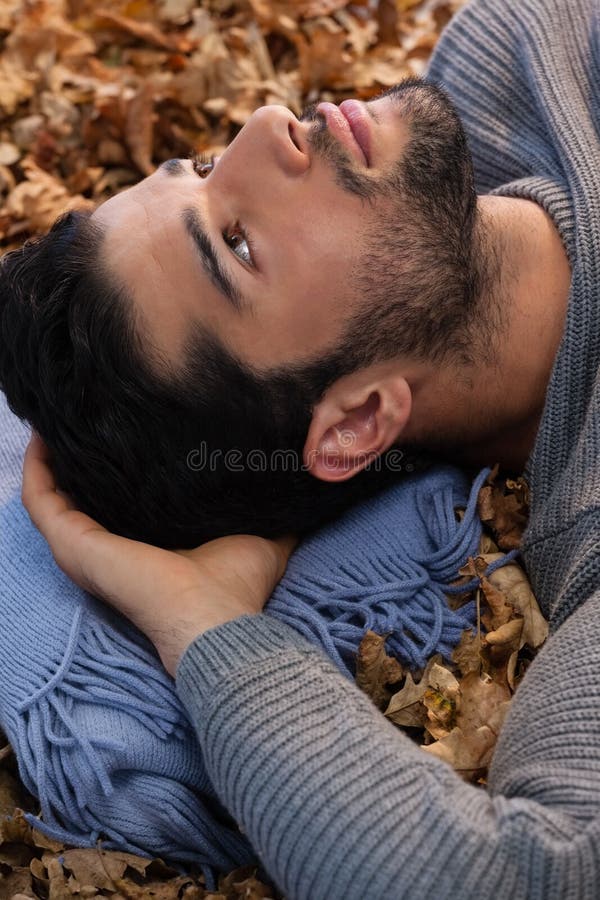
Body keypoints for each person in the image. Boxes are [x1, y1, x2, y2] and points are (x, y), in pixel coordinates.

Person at [16, 0, 600, 895]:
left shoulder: (520, 58)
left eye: (202, 167)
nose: (265, 124)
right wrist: (206, 623)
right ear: (356, 423)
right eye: (238, 244)